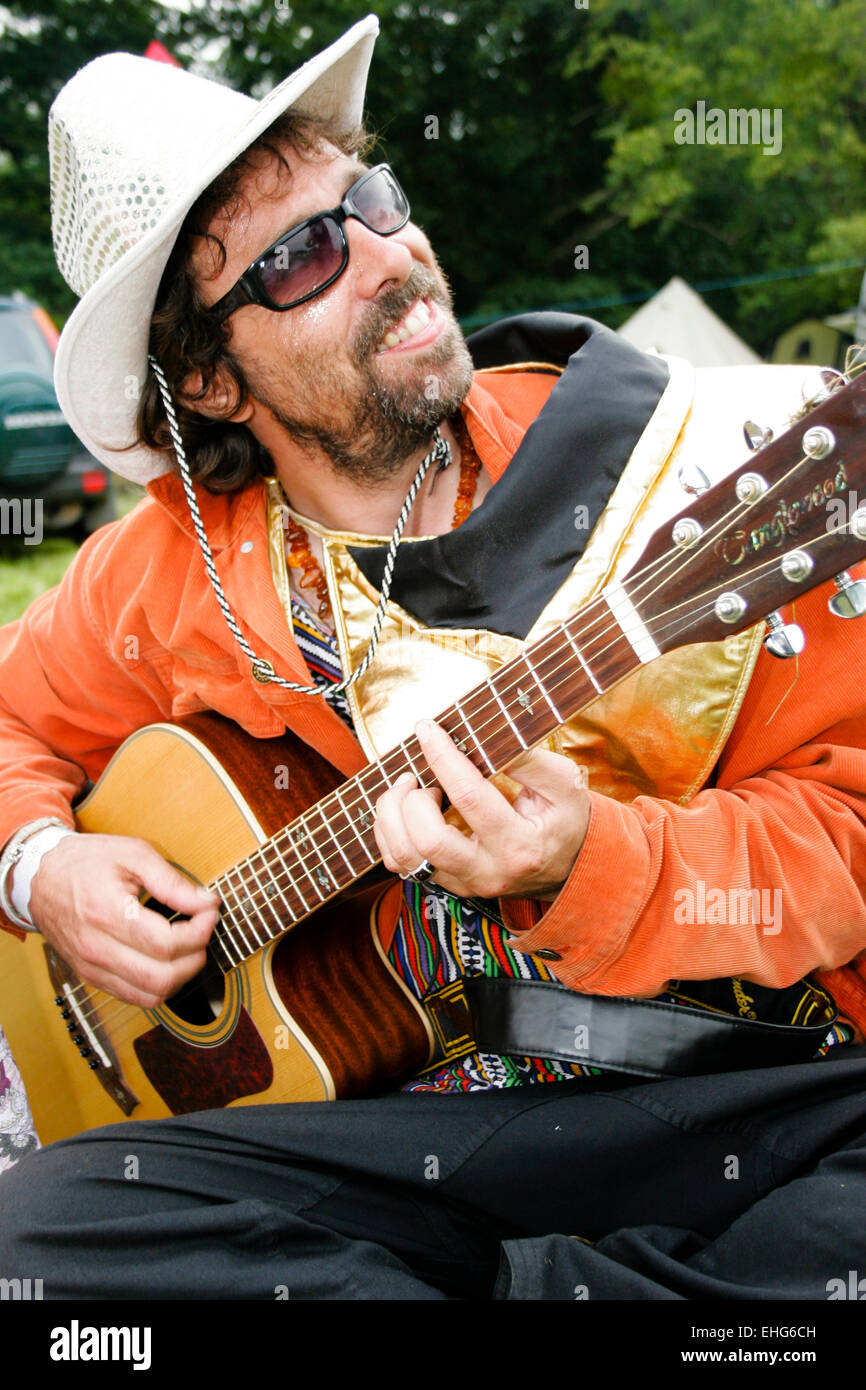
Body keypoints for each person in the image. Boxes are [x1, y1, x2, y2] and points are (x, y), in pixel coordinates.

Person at [0, 14, 865, 1301]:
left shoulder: (713, 480)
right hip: (429, 1120)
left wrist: (595, 863)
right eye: (299, 256)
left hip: (755, 1088)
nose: (388, 256)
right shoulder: (174, 569)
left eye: (370, 200)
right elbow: (16, 724)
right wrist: (43, 867)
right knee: (45, 1230)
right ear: (210, 384)